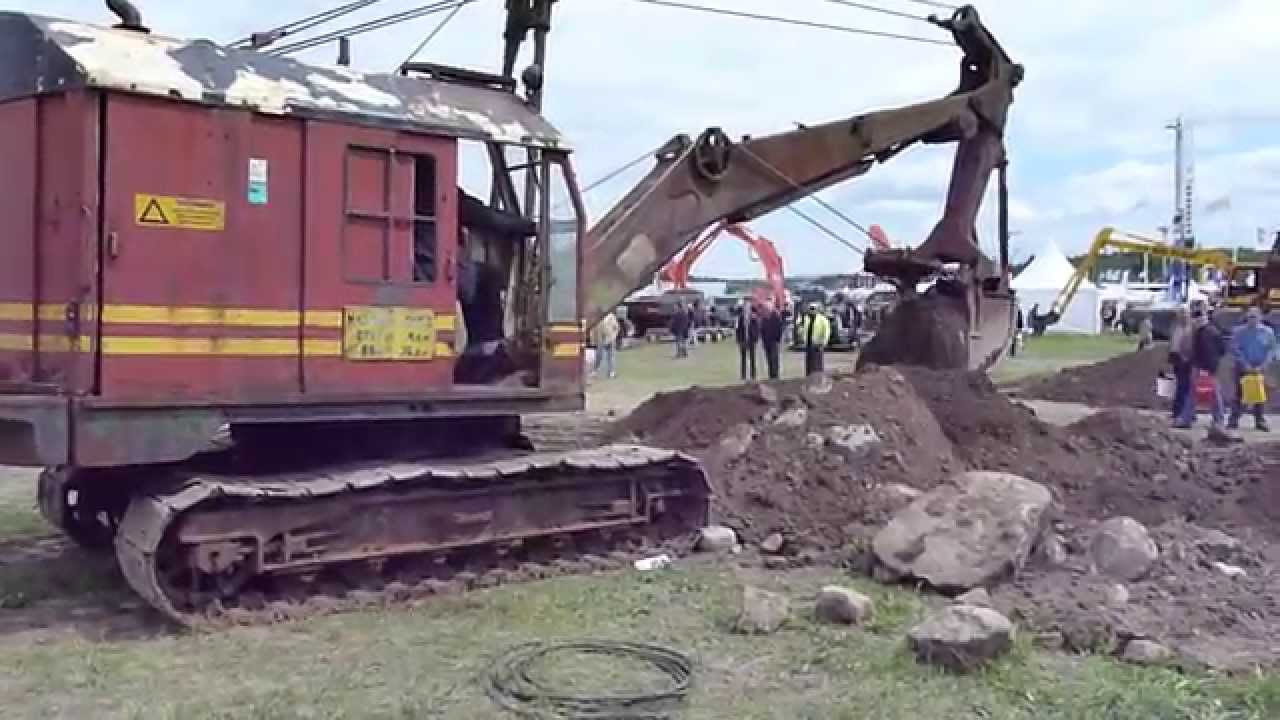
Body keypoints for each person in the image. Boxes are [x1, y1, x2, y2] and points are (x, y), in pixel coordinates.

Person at [1228, 306, 1276, 431]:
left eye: (1254, 317)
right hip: (1242, 367)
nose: (1252, 320)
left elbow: (1271, 350)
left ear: (1260, 317)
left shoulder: (1268, 332)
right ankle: (1233, 419)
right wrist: (1245, 365)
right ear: (1246, 318)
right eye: (1250, 317)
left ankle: (1259, 421)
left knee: (1260, 395)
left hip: (1260, 367)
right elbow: (1235, 349)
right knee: (1239, 393)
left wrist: (1263, 365)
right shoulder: (1238, 332)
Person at [1180, 308, 1227, 429]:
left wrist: (1205, 368)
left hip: (1203, 367)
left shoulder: (1204, 333)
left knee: (1210, 393)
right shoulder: (1210, 330)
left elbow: (1208, 352)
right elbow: (1222, 350)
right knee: (1199, 392)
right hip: (1208, 367)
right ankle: (1188, 418)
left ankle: (1218, 420)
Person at [1167, 307, 1194, 427]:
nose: (1183, 316)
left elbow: (1193, 345)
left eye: (1185, 314)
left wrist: (1187, 357)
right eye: (1181, 314)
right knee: (1179, 386)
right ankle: (1178, 411)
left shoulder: (1192, 328)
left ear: (1189, 315)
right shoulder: (1175, 327)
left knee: (1185, 387)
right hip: (1176, 359)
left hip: (1189, 360)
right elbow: (1172, 344)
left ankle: (1184, 412)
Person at [798, 302, 831, 375]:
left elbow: (826, 332)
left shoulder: (823, 319)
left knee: (817, 363)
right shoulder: (806, 318)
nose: (812, 310)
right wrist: (801, 333)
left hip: (818, 344)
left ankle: (818, 378)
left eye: (813, 308)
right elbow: (802, 328)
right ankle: (808, 376)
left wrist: (823, 343)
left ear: (817, 309)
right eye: (811, 308)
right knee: (808, 363)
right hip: (808, 344)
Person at [734, 301, 761, 380]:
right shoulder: (740, 318)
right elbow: (737, 330)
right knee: (743, 359)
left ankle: (753, 375)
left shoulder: (754, 317)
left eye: (748, 308)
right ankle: (743, 375)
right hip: (743, 340)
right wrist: (738, 340)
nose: (746, 309)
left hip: (751, 340)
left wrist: (756, 338)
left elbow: (757, 329)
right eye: (745, 308)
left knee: (753, 358)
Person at [759, 301, 785, 380]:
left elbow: (780, 329)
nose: (765, 310)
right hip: (766, 341)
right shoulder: (764, 317)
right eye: (764, 309)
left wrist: (778, 339)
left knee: (774, 359)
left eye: (766, 309)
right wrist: (763, 340)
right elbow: (762, 330)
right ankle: (771, 376)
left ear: (770, 308)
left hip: (774, 341)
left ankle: (775, 376)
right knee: (769, 359)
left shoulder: (776, 315)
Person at [591, 312, 620, 379]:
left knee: (611, 356)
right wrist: (594, 340)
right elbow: (593, 330)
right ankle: (595, 371)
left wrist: (614, 336)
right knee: (599, 356)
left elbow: (617, 328)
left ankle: (611, 372)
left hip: (610, 339)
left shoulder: (610, 316)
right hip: (601, 340)